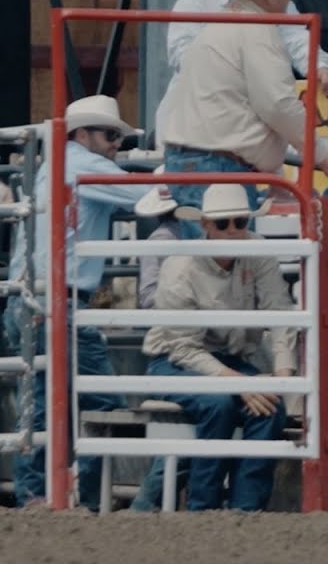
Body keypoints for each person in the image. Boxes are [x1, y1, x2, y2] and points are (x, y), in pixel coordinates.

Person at [3, 95, 149, 509]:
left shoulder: (56, 166)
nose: (115, 144)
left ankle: (40, 494)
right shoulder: (85, 166)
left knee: (40, 400)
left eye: (118, 137)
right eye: (109, 134)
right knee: (98, 399)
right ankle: (77, 495)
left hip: (30, 297)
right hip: (56, 300)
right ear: (82, 134)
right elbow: (143, 195)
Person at [160, 0, 328, 239]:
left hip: (203, 157)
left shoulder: (228, 22)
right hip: (218, 164)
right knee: (224, 264)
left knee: (216, 262)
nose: (288, 0)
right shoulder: (257, 28)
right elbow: (277, 103)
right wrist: (322, 154)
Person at [141, 184, 298, 511]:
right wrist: (241, 382)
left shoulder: (258, 252)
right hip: (172, 360)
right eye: (223, 223)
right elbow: (182, 349)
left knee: (270, 406)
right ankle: (204, 508)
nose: (232, 230)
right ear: (206, 226)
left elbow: (280, 313)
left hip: (226, 360)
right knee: (218, 404)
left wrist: (282, 381)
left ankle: (245, 509)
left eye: (240, 222)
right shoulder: (181, 266)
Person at [157, 0, 328, 150]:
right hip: (205, 122)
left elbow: (297, 39)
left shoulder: (274, 8)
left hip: (219, 129)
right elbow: (181, 55)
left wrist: (318, 66)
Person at [126, 173, 192, 512]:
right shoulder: (172, 240)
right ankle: (150, 501)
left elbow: (148, 298)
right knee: (196, 422)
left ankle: (148, 502)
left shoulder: (159, 239)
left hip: (173, 344)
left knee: (185, 427)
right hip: (179, 345)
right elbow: (150, 299)